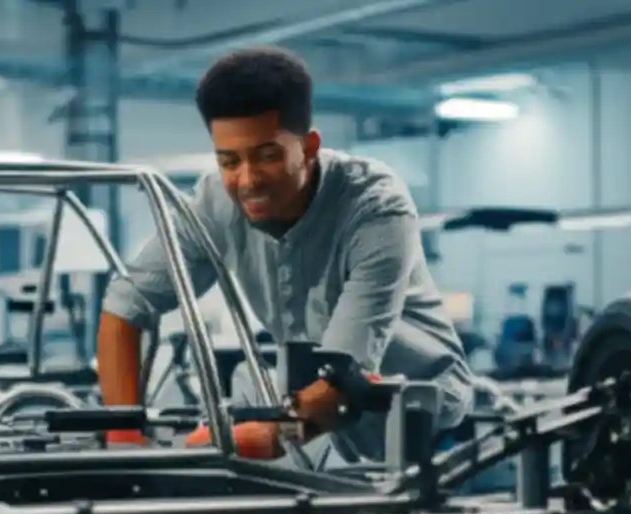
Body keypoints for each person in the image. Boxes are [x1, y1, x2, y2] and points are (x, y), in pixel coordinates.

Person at [96, 47, 474, 463]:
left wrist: (261, 437)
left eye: (267, 156)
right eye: (229, 161)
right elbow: (125, 304)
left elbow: (344, 379)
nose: (248, 180)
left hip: (420, 420)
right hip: (313, 416)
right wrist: (124, 438)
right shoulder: (214, 203)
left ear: (309, 147)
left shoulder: (376, 207)